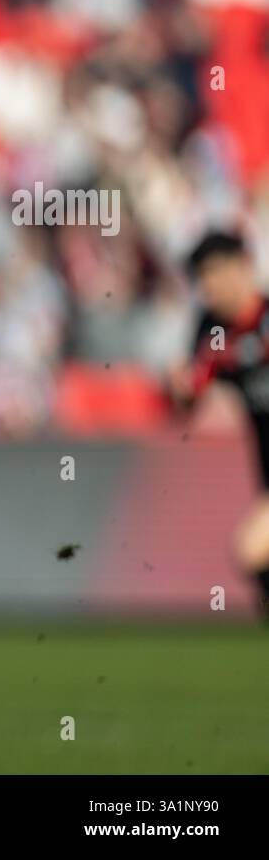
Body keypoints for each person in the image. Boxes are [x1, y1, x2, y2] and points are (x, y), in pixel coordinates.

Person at [175, 231, 269, 616]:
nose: (208, 285)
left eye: (214, 272)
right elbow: (192, 388)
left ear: (242, 266)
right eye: (201, 276)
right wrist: (183, 388)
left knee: (252, 549)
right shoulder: (213, 330)